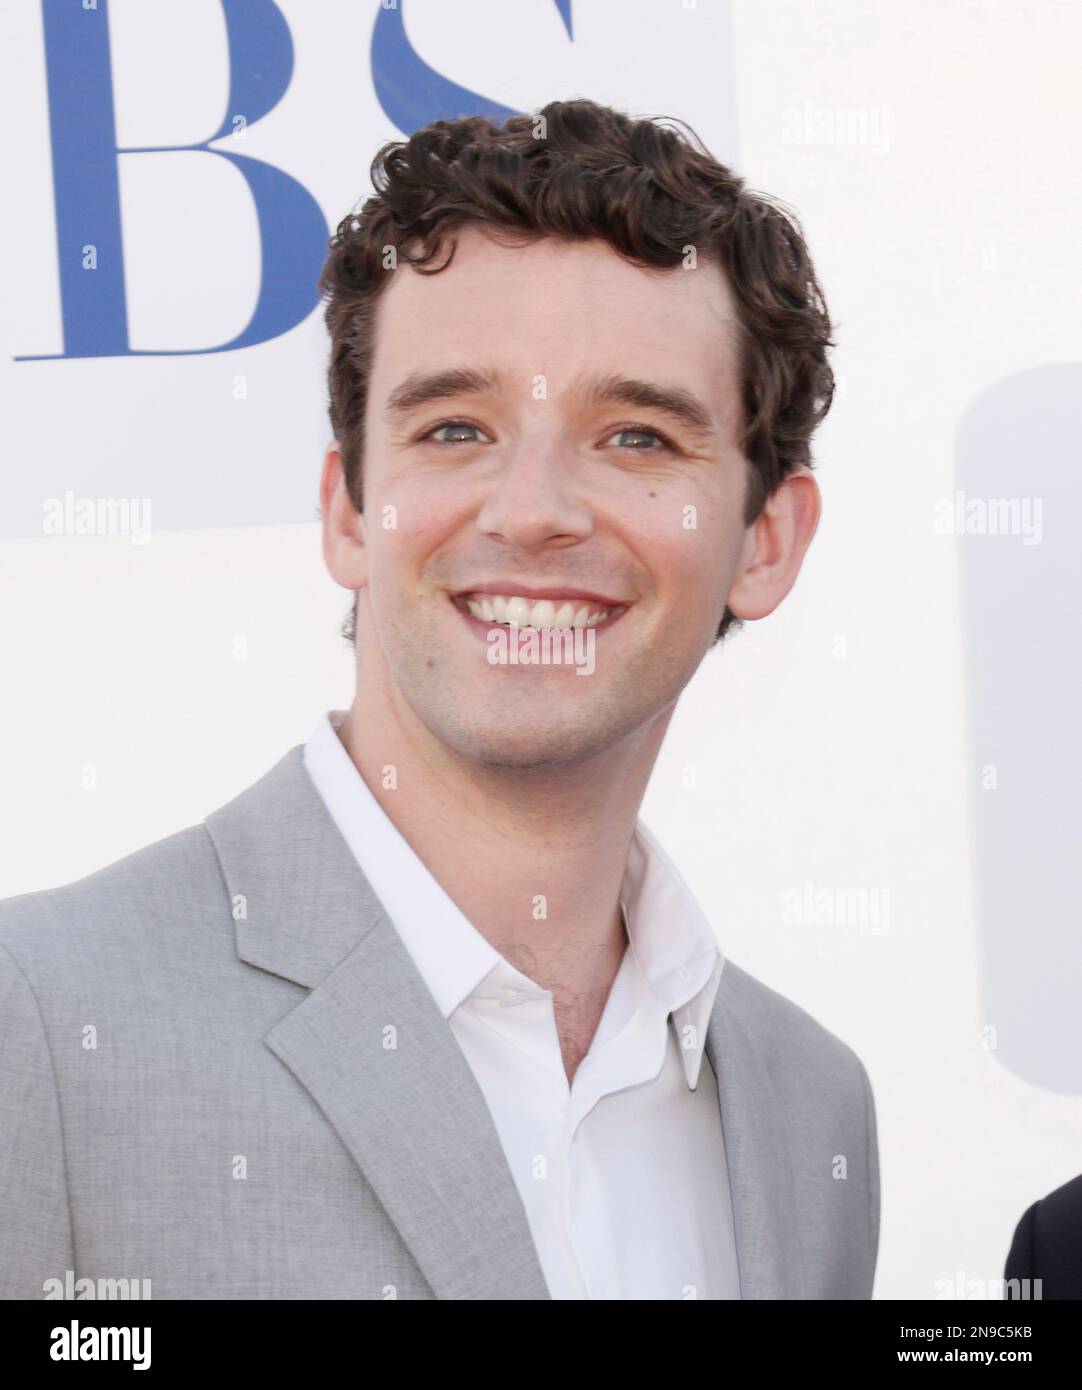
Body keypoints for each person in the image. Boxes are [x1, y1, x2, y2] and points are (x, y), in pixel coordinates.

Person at [0, 98, 878, 1300]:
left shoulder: (806, 1110)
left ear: (764, 541)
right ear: (349, 512)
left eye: (633, 438)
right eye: (455, 427)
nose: (531, 509)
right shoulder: (37, 1022)